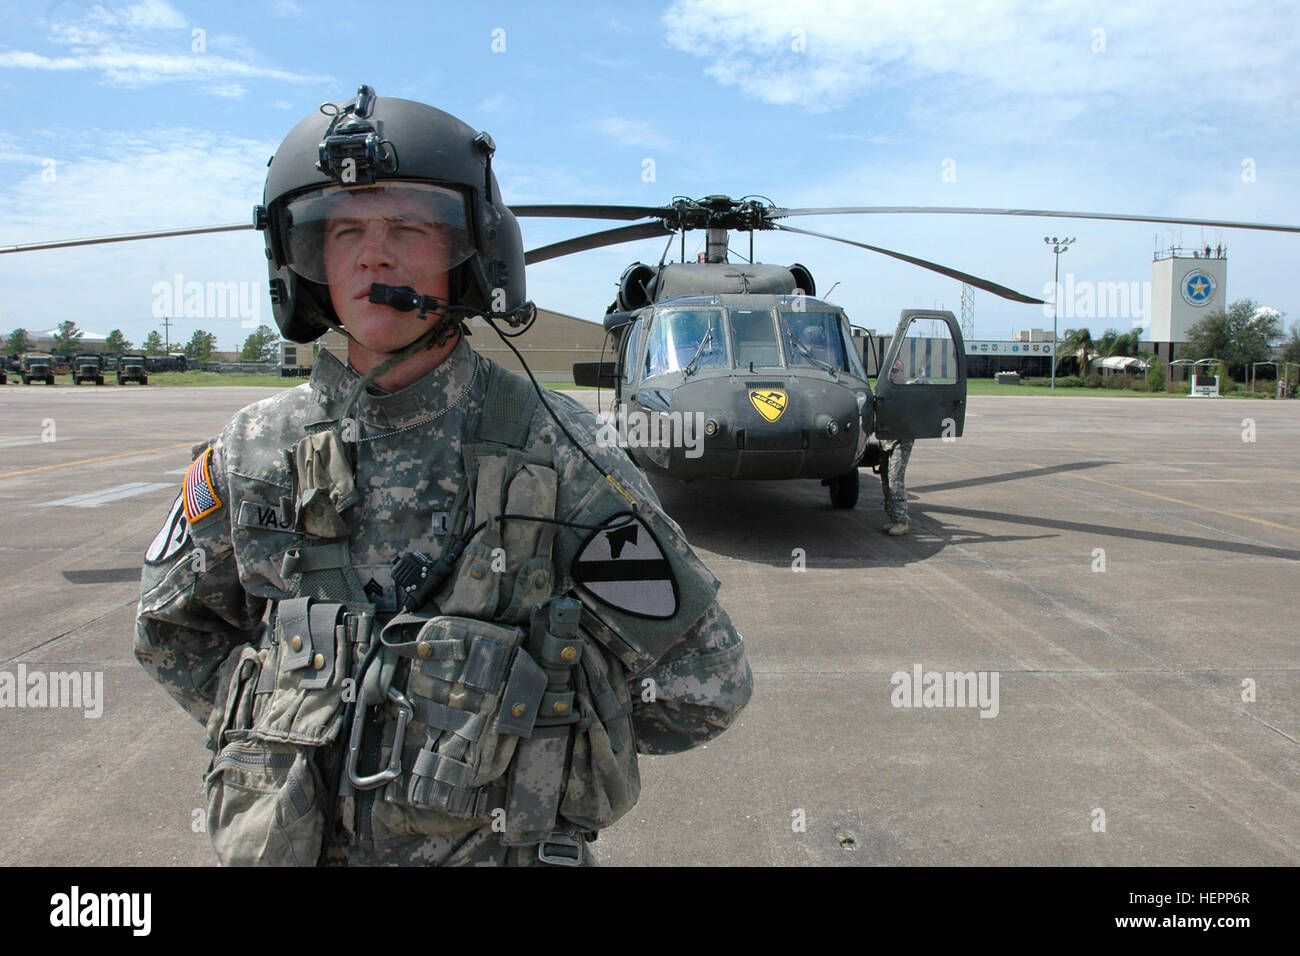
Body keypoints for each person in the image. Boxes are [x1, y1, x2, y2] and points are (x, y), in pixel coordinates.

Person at [134, 85, 752, 867]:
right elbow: (169, 630)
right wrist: (286, 729)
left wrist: (535, 740)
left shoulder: (557, 445)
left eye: (409, 227)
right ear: (304, 259)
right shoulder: (254, 450)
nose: (373, 254)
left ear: (472, 250)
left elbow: (705, 684)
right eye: (343, 228)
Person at [881, 359, 914, 536]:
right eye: (891, 371)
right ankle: (893, 517)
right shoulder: (887, 390)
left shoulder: (908, 390)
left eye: (897, 370)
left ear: (903, 372)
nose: (894, 373)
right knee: (886, 481)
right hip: (886, 443)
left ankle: (902, 521)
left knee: (895, 480)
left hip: (901, 442)